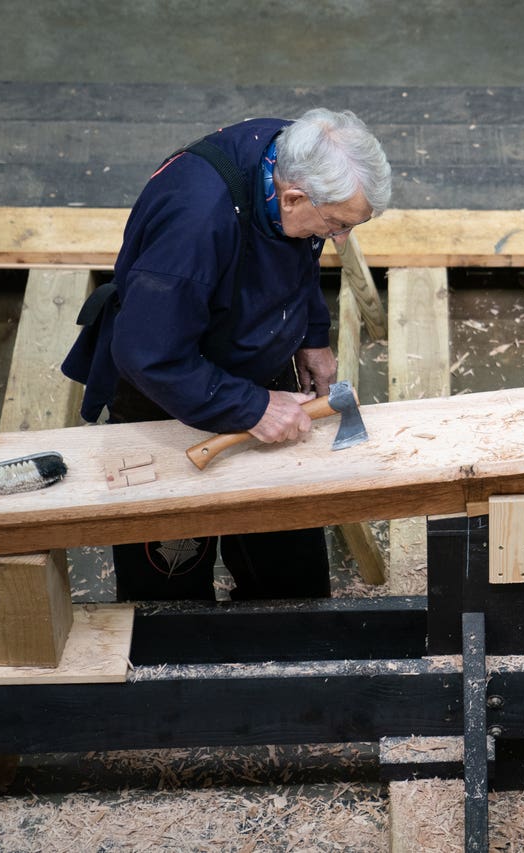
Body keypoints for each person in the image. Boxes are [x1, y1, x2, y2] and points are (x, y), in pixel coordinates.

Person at [63, 108, 392, 602]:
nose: (340, 239)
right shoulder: (193, 225)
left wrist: (313, 335)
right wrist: (252, 407)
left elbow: (297, 254)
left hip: (254, 365)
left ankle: (285, 633)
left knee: (289, 570)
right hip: (167, 391)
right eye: (336, 224)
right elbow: (148, 354)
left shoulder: (285, 152)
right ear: (295, 196)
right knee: (168, 581)